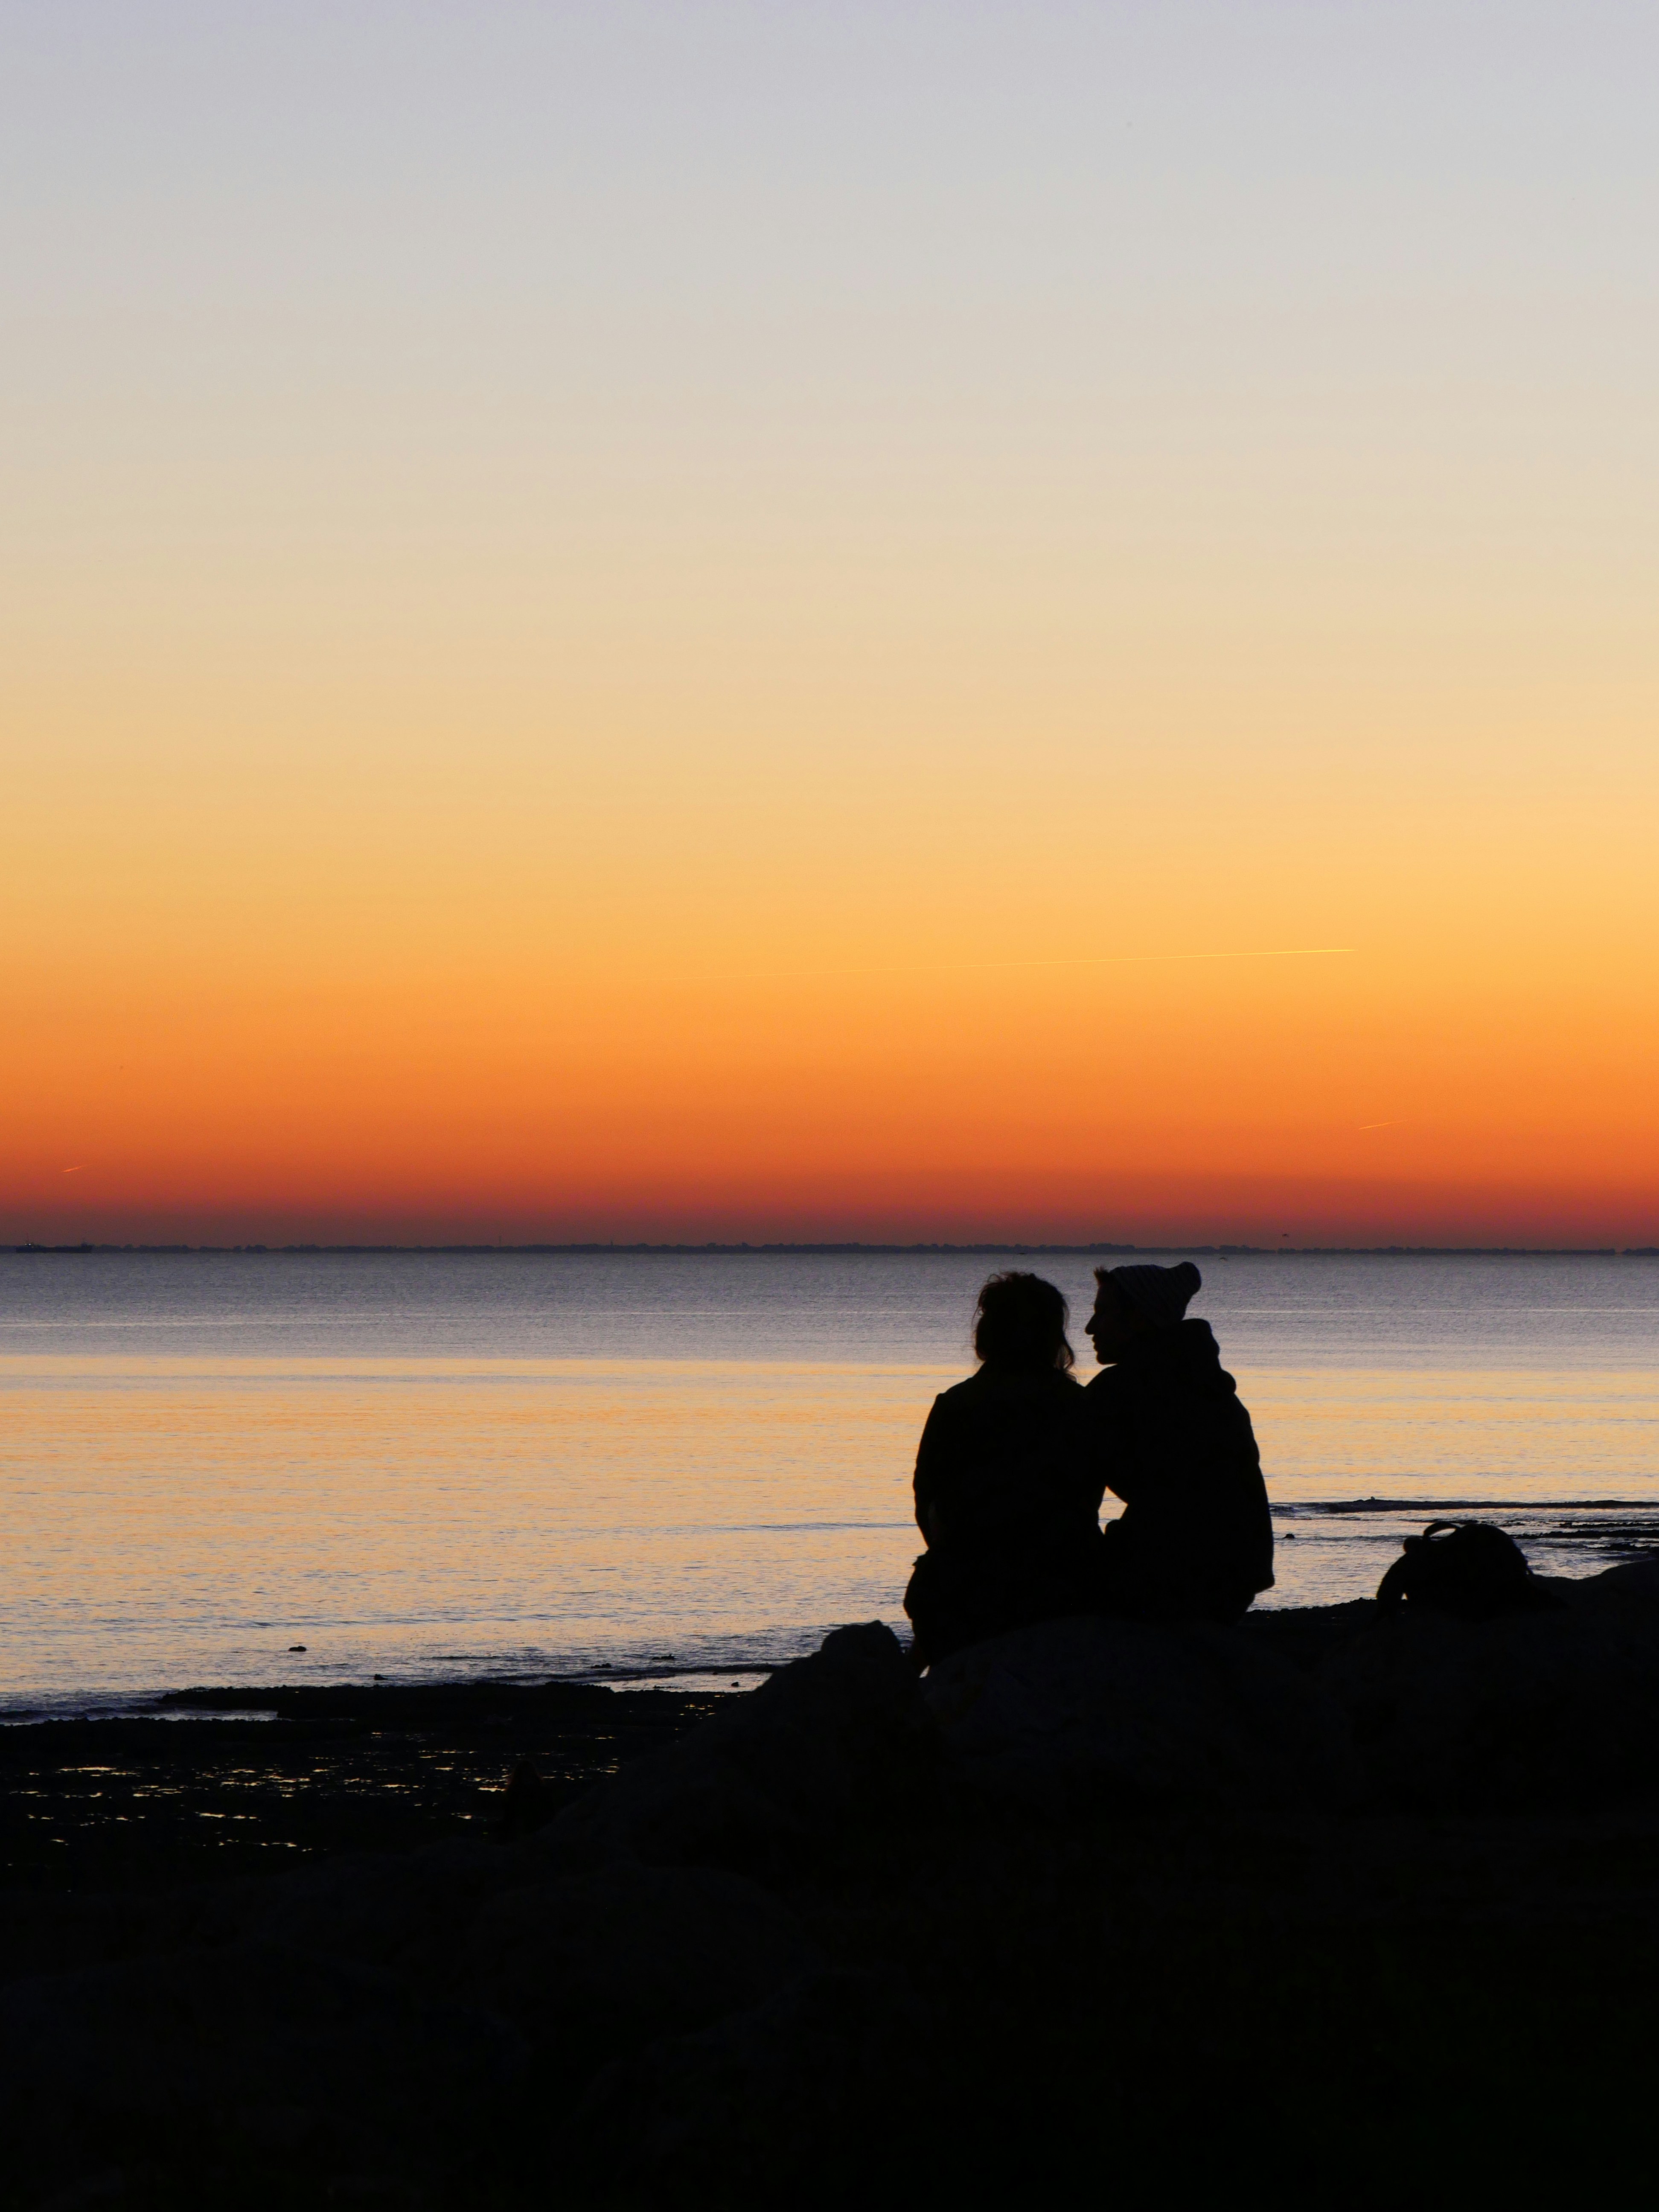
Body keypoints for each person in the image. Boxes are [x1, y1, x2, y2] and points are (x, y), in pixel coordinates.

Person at [903, 1272, 1104, 1670]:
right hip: (1066, 1589)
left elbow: (928, 1503)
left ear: (988, 1333)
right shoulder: (1081, 1406)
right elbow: (1086, 1498)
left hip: (967, 1594)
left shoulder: (957, 1405)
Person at [1084, 1261, 1273, 1623]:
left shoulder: (1123, 1390)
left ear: (1140, 1319)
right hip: (1237, 1574)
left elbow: (1068, 1481)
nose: (1090, 1328)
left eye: (1103, 1314)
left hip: (1173, 1576)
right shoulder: (1209, 1385)